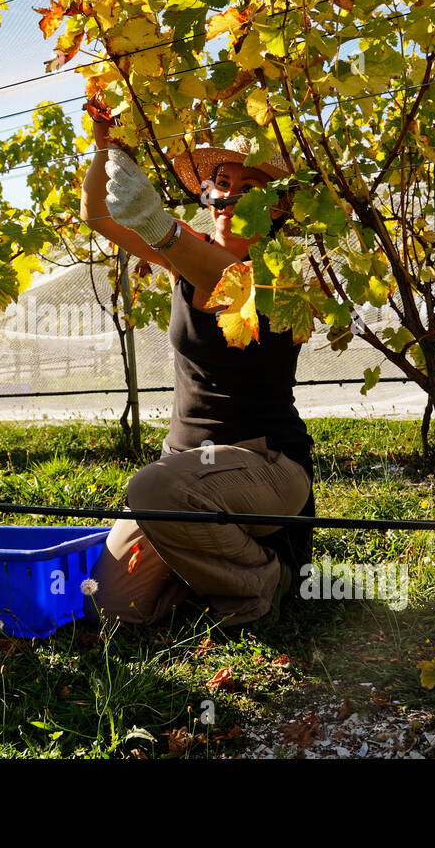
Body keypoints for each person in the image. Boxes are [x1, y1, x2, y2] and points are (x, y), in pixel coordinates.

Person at [80, 119, 316, 628]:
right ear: (208, 196)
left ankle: (260, 585)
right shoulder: (182, 257)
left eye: (250, 189)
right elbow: (97, 215)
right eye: (223, 184)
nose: (228, 199)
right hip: (186, 466)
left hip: (267, 465)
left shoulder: (283, 278)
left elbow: (226, 279)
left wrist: (159, 228)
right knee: (110, 606)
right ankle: (199, 581)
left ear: (277, 208)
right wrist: (105, 152)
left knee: (151, 491)